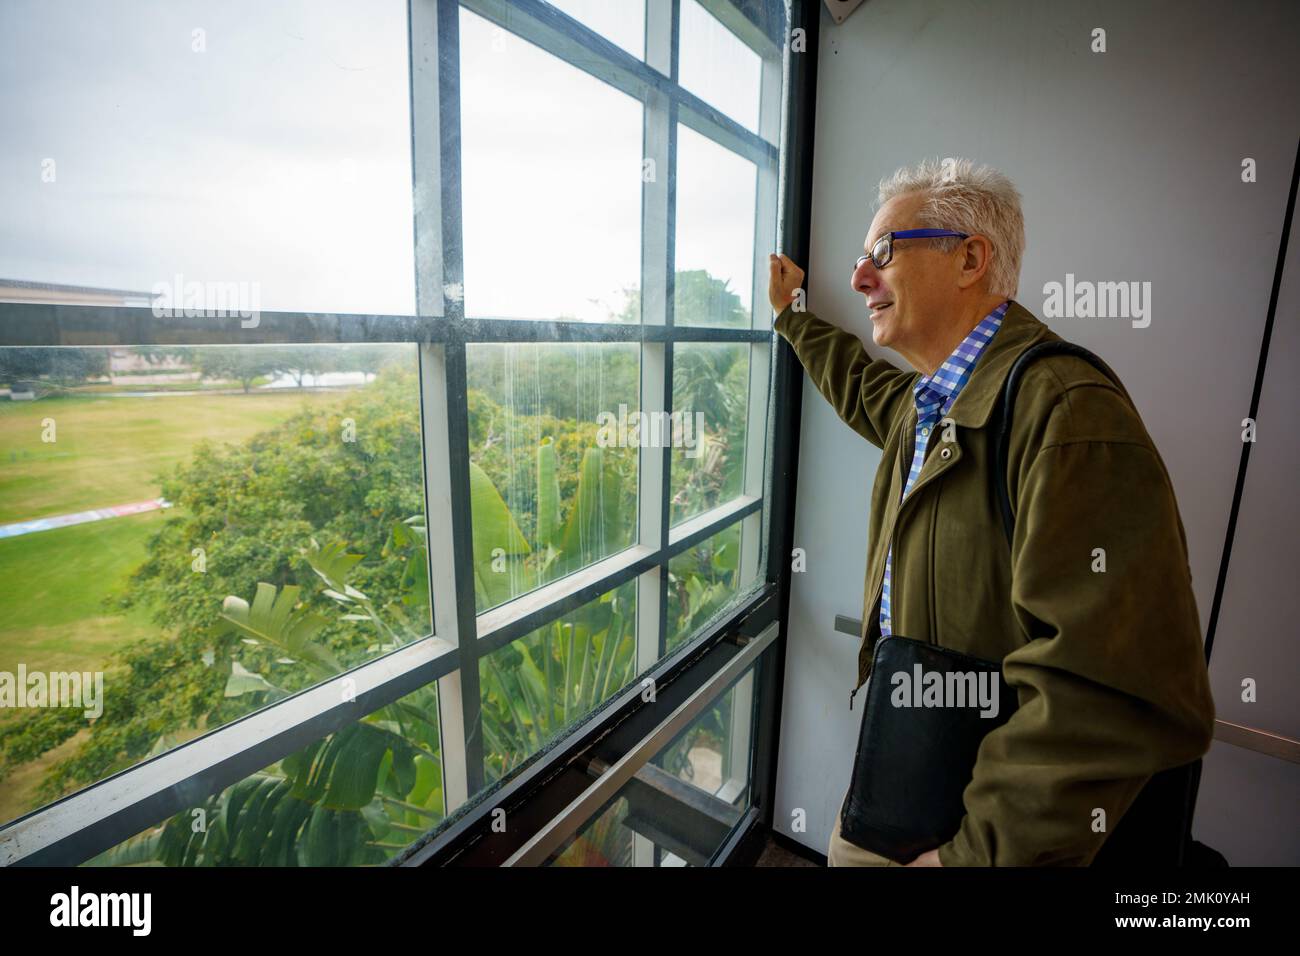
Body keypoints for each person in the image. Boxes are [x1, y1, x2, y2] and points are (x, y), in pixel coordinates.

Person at [769, 157, 1215, 866]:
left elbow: (1112, 693)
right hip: (911, 788)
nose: (860, 279)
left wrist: (973, 858)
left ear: (970, 257)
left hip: (969, 834)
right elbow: (855, 382)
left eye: (883, 252)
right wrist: (791, 317)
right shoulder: (931, 407)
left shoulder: (1066, 413)